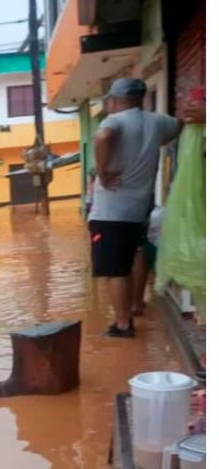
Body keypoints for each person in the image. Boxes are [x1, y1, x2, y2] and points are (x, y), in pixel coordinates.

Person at [90, 78, 187, 338]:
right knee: (136, 255)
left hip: (111, 210)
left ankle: (122, 324)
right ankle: (135, 305)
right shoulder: (157, 122)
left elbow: (103, 136)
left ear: (115, 100)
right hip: (141, 206)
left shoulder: (114, 121)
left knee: (114, 270)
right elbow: (180, 124)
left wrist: (102, 173)